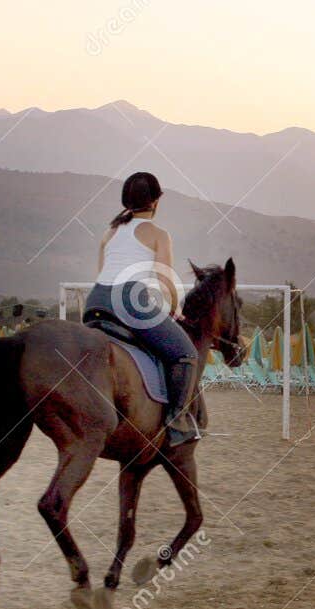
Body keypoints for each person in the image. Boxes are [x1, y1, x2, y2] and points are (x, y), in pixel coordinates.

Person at [83, 172, 200, 446]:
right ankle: (177, 423)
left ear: (126, 201)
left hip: (97, 301)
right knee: (186, 353)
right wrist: (175, 308)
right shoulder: (159, 234)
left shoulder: (109, 232)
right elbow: (164, 278)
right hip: (129, 302)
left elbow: (102, 272)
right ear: (157, 201)